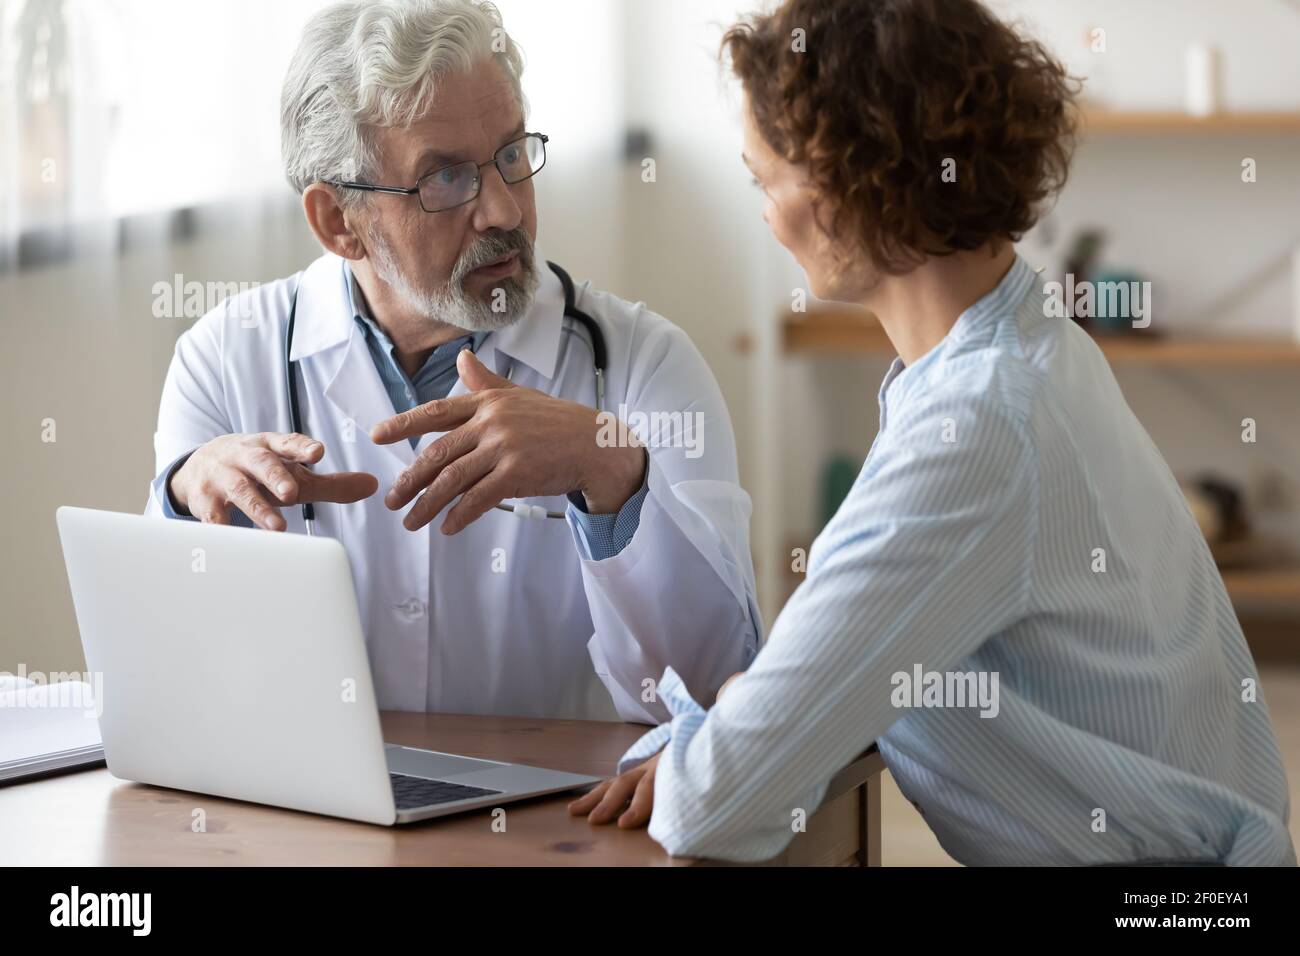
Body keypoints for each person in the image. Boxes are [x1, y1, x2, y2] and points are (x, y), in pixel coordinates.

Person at [571, 0, 1295, 866]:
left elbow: (712, 802)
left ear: (850, 186)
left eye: (767, 181)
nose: (765, 214)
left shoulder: (975, 428)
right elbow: (823, 679)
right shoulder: (1025, 347)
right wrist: (752, 707)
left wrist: (726, 719)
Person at [145, 0, 760, 723]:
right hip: (318, 823)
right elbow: (168, 690)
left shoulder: (642, 366)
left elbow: (721, 692)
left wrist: (612, 476)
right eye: (444, 179)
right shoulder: (224, 362)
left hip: (571, 829)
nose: (503, 211)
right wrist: (181, 502)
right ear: (338, 222)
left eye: (509, 156)